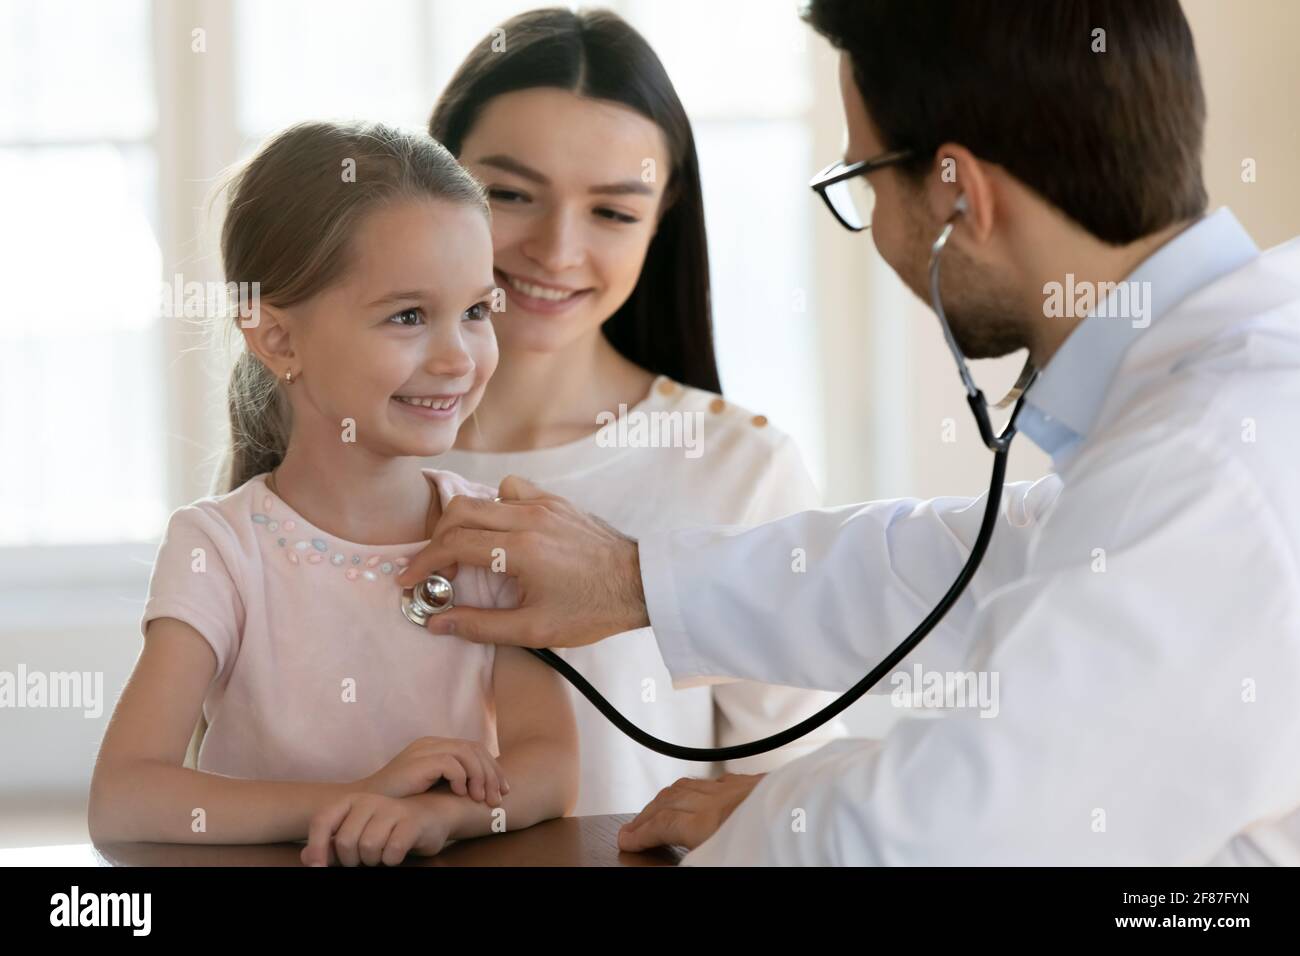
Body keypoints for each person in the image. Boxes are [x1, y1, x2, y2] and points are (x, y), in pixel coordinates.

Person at [397, 0, 1300, 865]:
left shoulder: (1211, 463)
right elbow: (975, 566)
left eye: (863, 180)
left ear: (960, 197)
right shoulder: (1217, 409)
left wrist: (781, 802)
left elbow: (926, 846)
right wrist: (637, 579)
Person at [88, 121, 579, 867]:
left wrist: (438, 819)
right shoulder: (219, 550)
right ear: (279, 340)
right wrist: (365, 800)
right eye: (409, 316)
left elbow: (548, 770)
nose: (457, 358)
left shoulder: (491, 538)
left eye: (477, 312)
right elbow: (124, 801)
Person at [427, 7, 848, 817]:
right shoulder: (336, 439)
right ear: (436, 177)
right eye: (509, 194)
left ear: (663, 217)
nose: (555, 250)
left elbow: (791, 801)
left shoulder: (737, 467)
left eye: (613, 212)